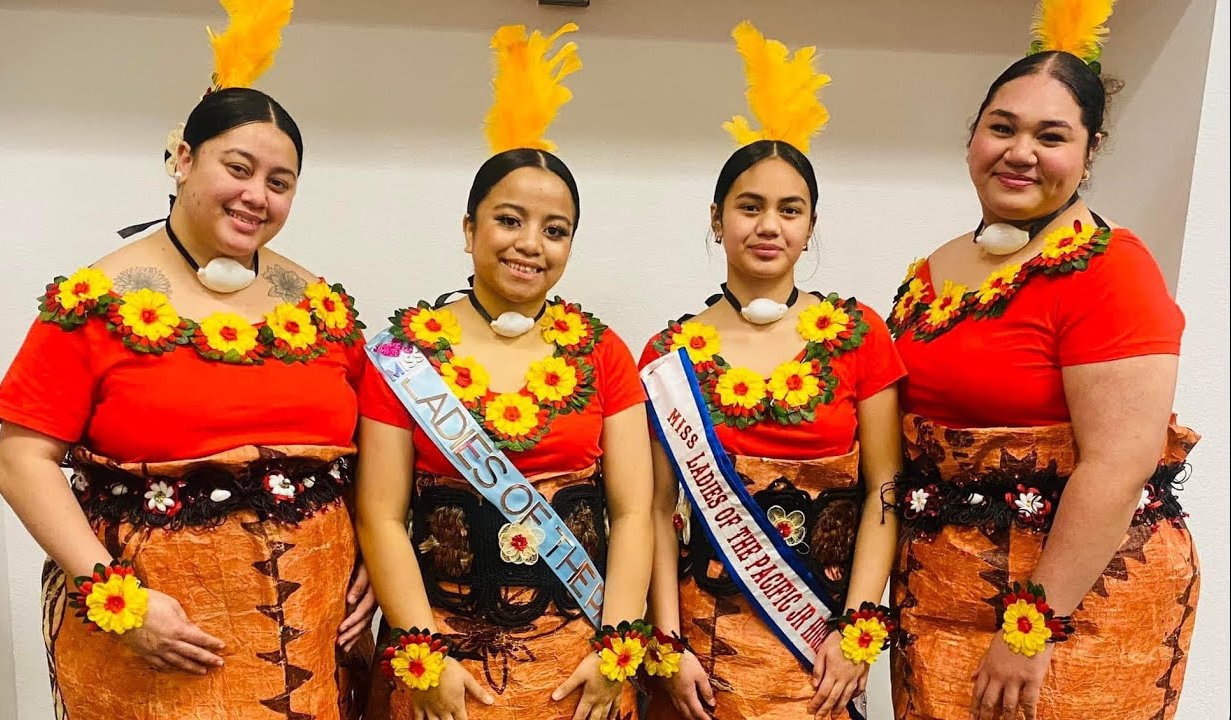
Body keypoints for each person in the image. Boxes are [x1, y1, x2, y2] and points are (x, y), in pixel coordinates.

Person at [0, 5, 374, 718]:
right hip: (158, 648)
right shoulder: (98, 300)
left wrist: (376, 564)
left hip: (315, 641)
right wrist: (118, 599)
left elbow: (374, 446)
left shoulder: (319, 305)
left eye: (280, 181)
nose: (257, 195)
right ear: (183, 159)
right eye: (239, 167)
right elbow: (19, 461)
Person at [887, 2, 1199, 719]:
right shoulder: (936, 266)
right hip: (941, 595)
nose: (1019, 151)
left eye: (1050, 136)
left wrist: (1033, 629)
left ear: (1090, 152)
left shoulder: (1110, 269)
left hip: (1070, 612)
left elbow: (1120, 465)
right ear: (973, 138)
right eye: (1002, 128)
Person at [356, 24, 654, 720]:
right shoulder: (404, 356)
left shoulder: (603, 351)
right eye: (509, 221)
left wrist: (616, 648)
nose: (531, 245)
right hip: (443, 658)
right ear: (469, 229)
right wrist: (421, 654)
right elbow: (380, 515)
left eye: (555, 230)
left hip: (580, 655)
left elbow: (635, 511)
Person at [638, 22, 904, 720]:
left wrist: (857, 630)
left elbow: (886, 487)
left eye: (790, 210)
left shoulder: (858, 335)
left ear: (811, 226)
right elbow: (657, 511)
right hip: (703, 638)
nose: (768, 226)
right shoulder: (668, 351)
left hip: (819, 639)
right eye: (749, 206)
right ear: (717, 219)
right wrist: (669, 641)